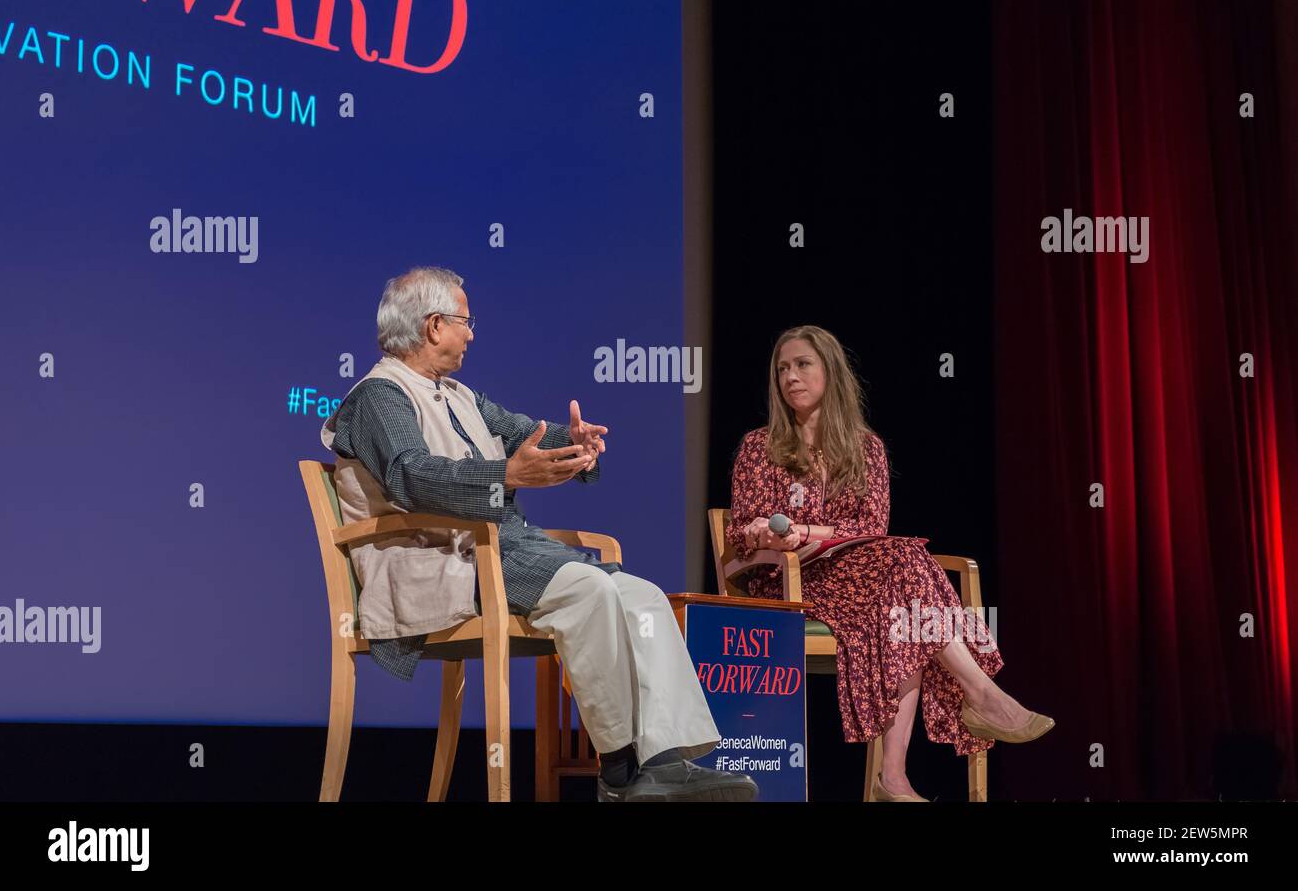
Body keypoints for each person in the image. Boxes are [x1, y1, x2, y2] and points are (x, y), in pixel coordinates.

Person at [320, 266, 757, 802]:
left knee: (642, 597)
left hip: (498, 549)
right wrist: (504, 474)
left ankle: (664, 761)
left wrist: (576, 446)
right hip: (440, 558)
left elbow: (527, 432)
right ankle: (621, 773)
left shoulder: (458, 395)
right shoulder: (379, 396)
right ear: (433, 325)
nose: (472, 332)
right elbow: (412, 477)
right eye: (465, 320)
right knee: (590, 590)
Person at [726, 325, 1054, 801]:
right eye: (782, 368)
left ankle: (894, 778)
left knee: (901, 595)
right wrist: (763, 533)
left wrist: (809, 532)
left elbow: (871, 529)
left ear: (830, 373)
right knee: (904, 578)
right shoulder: (760, 447)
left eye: (802, 364)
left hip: (857, 576)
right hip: (787, 583)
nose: (790, 377)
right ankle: (975, 698)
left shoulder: (866, 448)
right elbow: (739, 534)